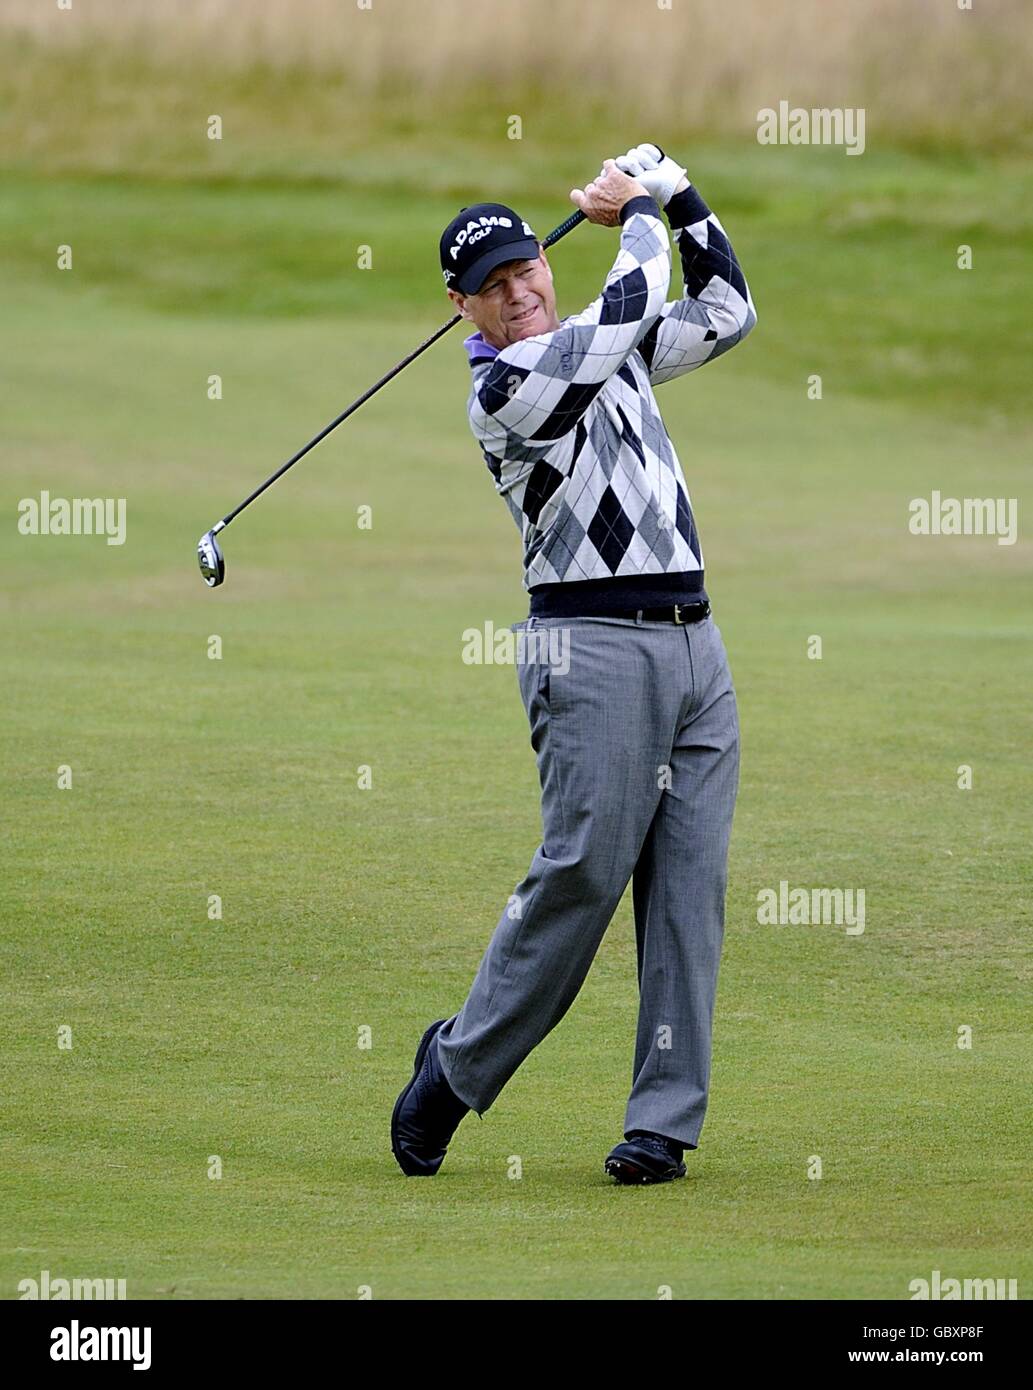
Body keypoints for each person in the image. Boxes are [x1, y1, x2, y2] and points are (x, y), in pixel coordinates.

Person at [391, 143, 757, 1184]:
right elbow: (630, 301)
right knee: (585, 874)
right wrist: (637, 211)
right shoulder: (510, 385)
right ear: (462, 306)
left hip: (696, 644)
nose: (519, 293)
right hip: (587, 648)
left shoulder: (612, 346)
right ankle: (451, 1073)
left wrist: (681, 195)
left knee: (689, 892)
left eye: (527, 271)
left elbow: (727, 308)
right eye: (493, 286)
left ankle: (661, 1123)